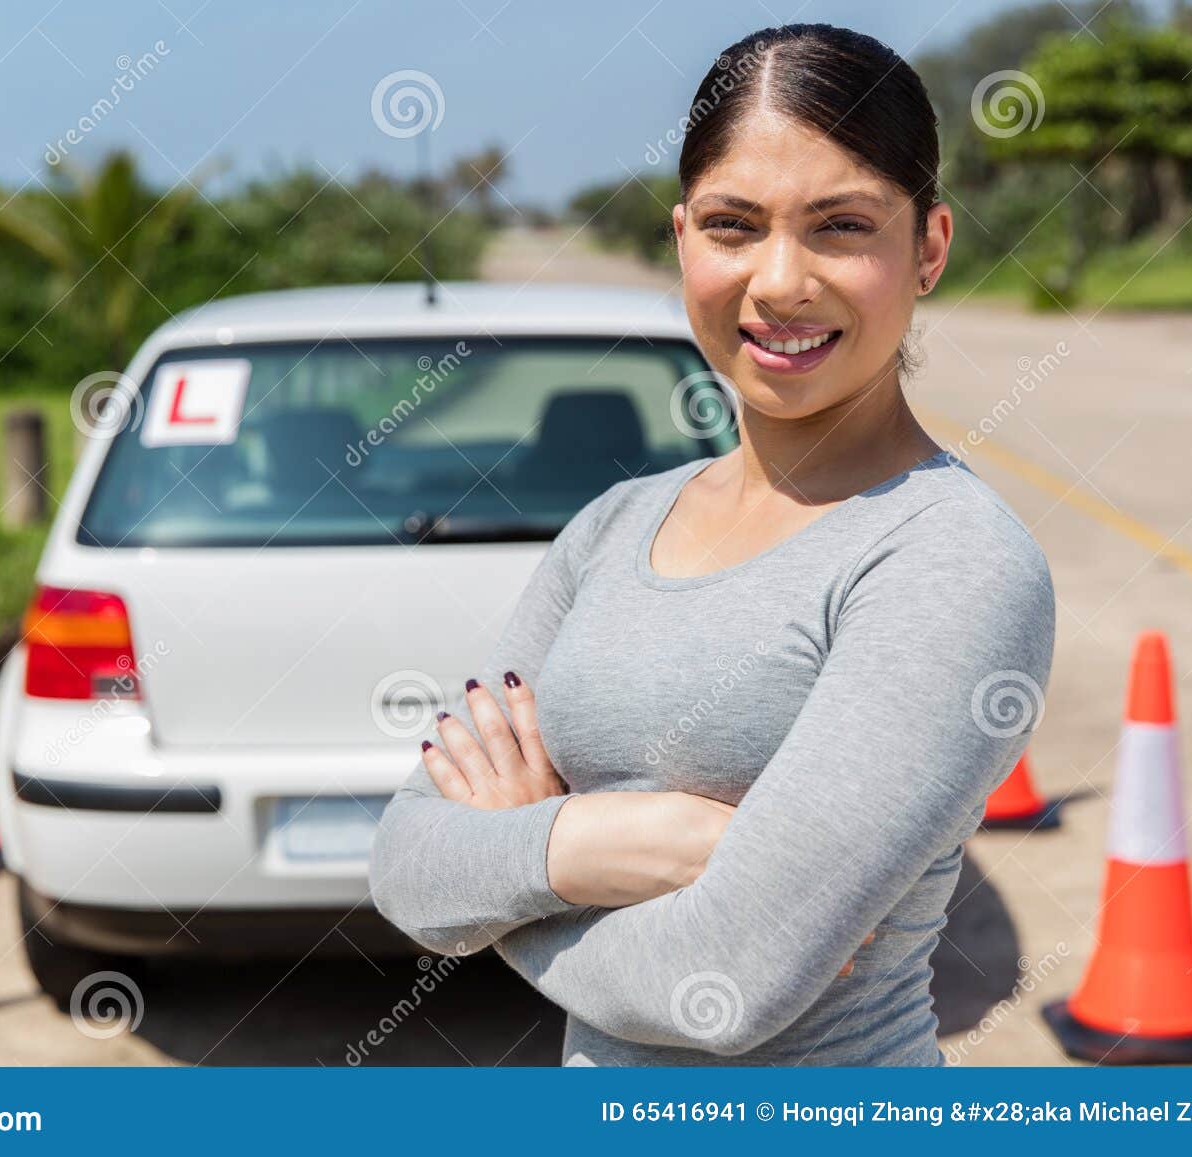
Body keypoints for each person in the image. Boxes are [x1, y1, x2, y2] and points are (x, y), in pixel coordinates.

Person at [369, 22, 1055, 1066]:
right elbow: (407, 864)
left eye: (841, 226)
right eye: (735, 226)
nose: (779, 282)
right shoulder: (614, 525)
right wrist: (606, 840)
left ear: (929, 248)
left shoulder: (950, 558)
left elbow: (722, 985)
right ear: (683, 238)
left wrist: (506, 877)